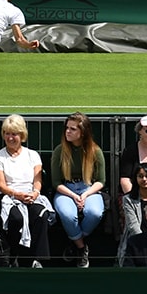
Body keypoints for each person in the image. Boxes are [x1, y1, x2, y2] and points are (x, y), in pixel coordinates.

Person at [0, 115, 52, 268]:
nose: (10, 138)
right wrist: (18, 195)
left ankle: (36, 259)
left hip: (30, 195)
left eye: (14, 134)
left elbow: (37, 181)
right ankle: (14, 255)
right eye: (7, 133)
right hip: (7, 197)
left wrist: (35, 193)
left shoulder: (33, 155)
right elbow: (2, 186)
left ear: (22, 135)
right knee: (16, 218)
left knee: (41, 214)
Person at [50, 112, 105, 267]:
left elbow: (101, 181)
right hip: (66, 189)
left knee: (94, 213)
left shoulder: (95, 151)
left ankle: (74, 240)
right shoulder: (60, 151)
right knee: (68, 215)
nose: (68, 131)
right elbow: (56, 182)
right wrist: (74, 196)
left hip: (89, 188)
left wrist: (85, 194)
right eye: (67, 128)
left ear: (83, 132)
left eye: (73, 129)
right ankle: (81, 247)